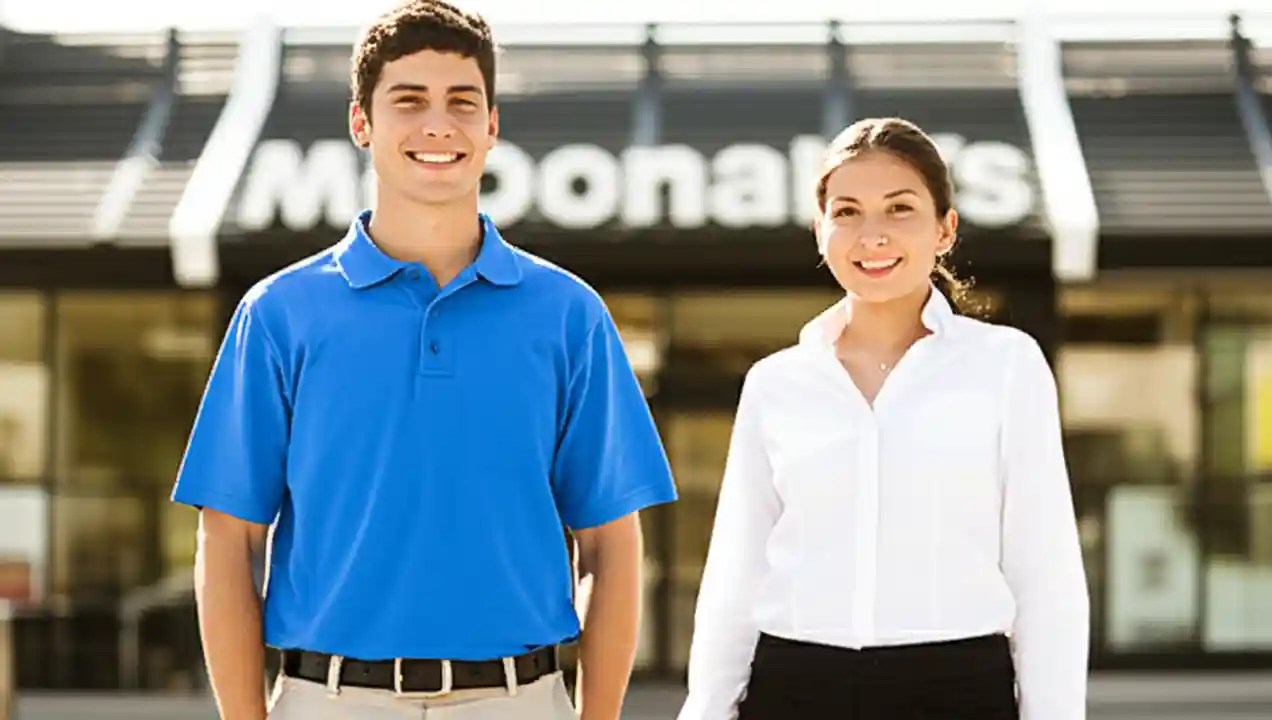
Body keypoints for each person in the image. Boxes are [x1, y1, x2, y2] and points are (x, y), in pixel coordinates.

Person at [171, 3, 678, 719]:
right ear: (361, 123)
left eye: (461, 103)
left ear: (492, 126)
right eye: (408, 101)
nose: (437, 124)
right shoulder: (279, 314)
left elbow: (612, 545)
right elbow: (227, 540)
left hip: (521, 701)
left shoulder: (568, 315)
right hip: (329, 701)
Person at [677, 117, 1089, 720]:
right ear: (820, 231)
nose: (872, 236)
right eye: (846, 212)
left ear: (945, 229)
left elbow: (1044, 572)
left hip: (958, 690)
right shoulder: (776, 383)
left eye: (900, 209)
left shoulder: (1006, 366)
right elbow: (735, 574)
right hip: (794, 687)